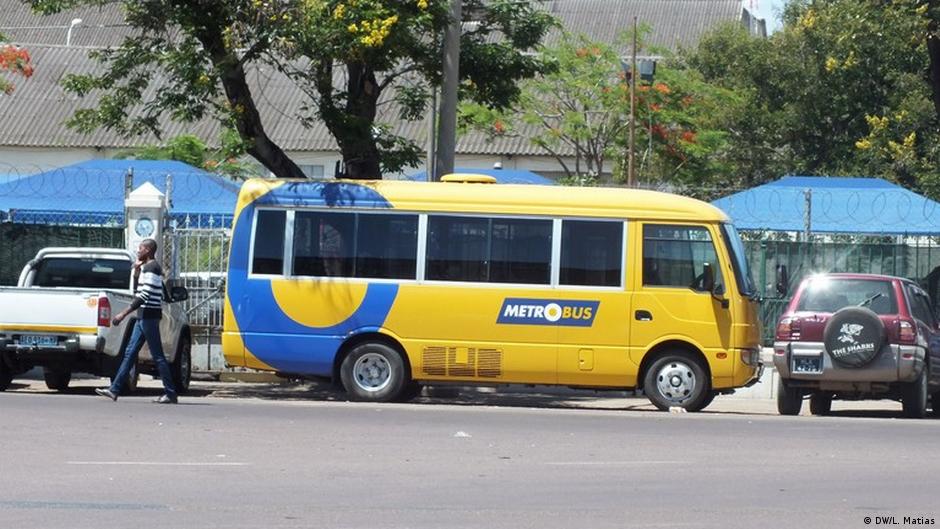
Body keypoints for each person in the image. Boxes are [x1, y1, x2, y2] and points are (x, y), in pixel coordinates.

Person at [95, 239, 178, 404]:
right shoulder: (146, 268)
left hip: (148, 316)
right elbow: (137, 291)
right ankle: (114, 389)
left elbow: (144, 296)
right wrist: (136, 273)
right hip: (143, 316)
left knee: (158, 356)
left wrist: (123, 314)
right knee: (129, 353)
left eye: (140, 248)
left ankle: (170, 393)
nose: (138, 251)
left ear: (147, 250)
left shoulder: (152, 267)